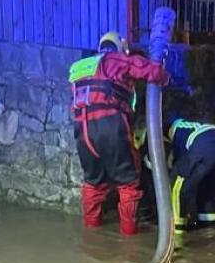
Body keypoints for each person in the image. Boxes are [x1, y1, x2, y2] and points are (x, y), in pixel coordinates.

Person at [68, 32, 169, 235]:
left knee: (93, 183)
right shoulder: (116, 60)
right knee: (128, 183)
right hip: (110, 125)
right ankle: (129, 241)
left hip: (83, 131)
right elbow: (150, 71)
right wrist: (165, 77)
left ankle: (91, 233)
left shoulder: (78, 67)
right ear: (119, 48)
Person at [165, 116, 215, 232]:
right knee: (208, 185)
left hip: (207, 143)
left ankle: (177, 229)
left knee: (178, 184)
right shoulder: (191, 124)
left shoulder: (176, 130)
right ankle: (209, 226)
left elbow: (182, 164)